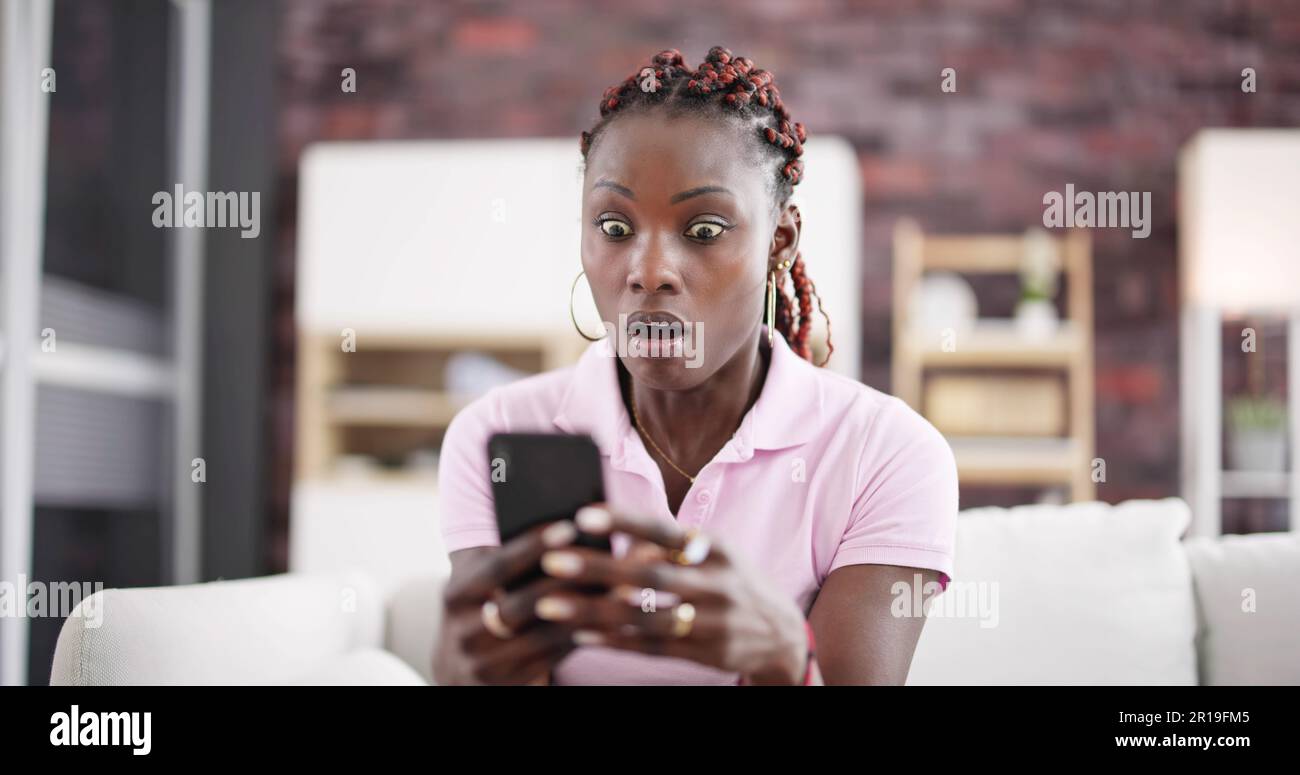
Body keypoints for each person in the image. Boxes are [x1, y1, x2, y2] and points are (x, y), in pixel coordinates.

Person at [431, 47, 957, 685]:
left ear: (779, 244)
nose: (649, 272)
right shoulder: (497, 434)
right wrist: (470, 669)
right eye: (614, 226)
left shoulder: (885, 452)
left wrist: (782, 660)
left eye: (704, 229)